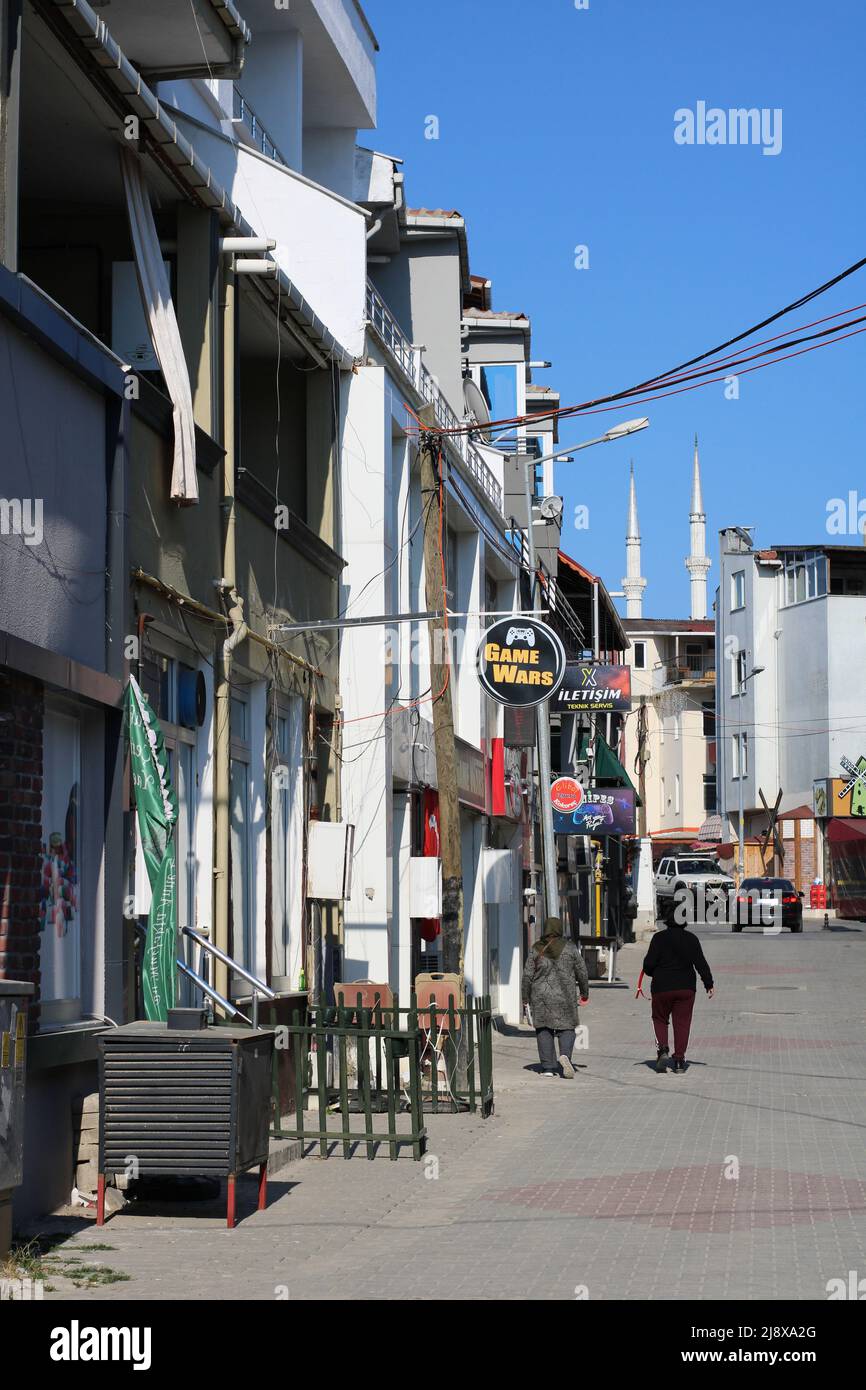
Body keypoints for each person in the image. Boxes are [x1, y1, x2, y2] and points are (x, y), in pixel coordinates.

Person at [642, 919, 714, 1073]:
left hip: (662, 987)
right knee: (682, 1023)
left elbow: (648, 965)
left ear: (667, 922)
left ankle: (662, 1049)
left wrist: (654, 972)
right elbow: (700, 963)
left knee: (659, 1018)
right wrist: (709, 984)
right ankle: (679, 1061)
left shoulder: (658, 938)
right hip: (686, 988)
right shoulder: (691, 939)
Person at [521, 917, 589, 1078]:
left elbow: (527, 976)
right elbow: (582, 971)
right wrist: (585, 993)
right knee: (567, 1027)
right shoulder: (570, 948)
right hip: (565, 996)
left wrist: (525, 996)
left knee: (544, 1029)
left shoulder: (536, 949)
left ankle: (548, 1068)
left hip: (540, 996)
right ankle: (565, 1055)